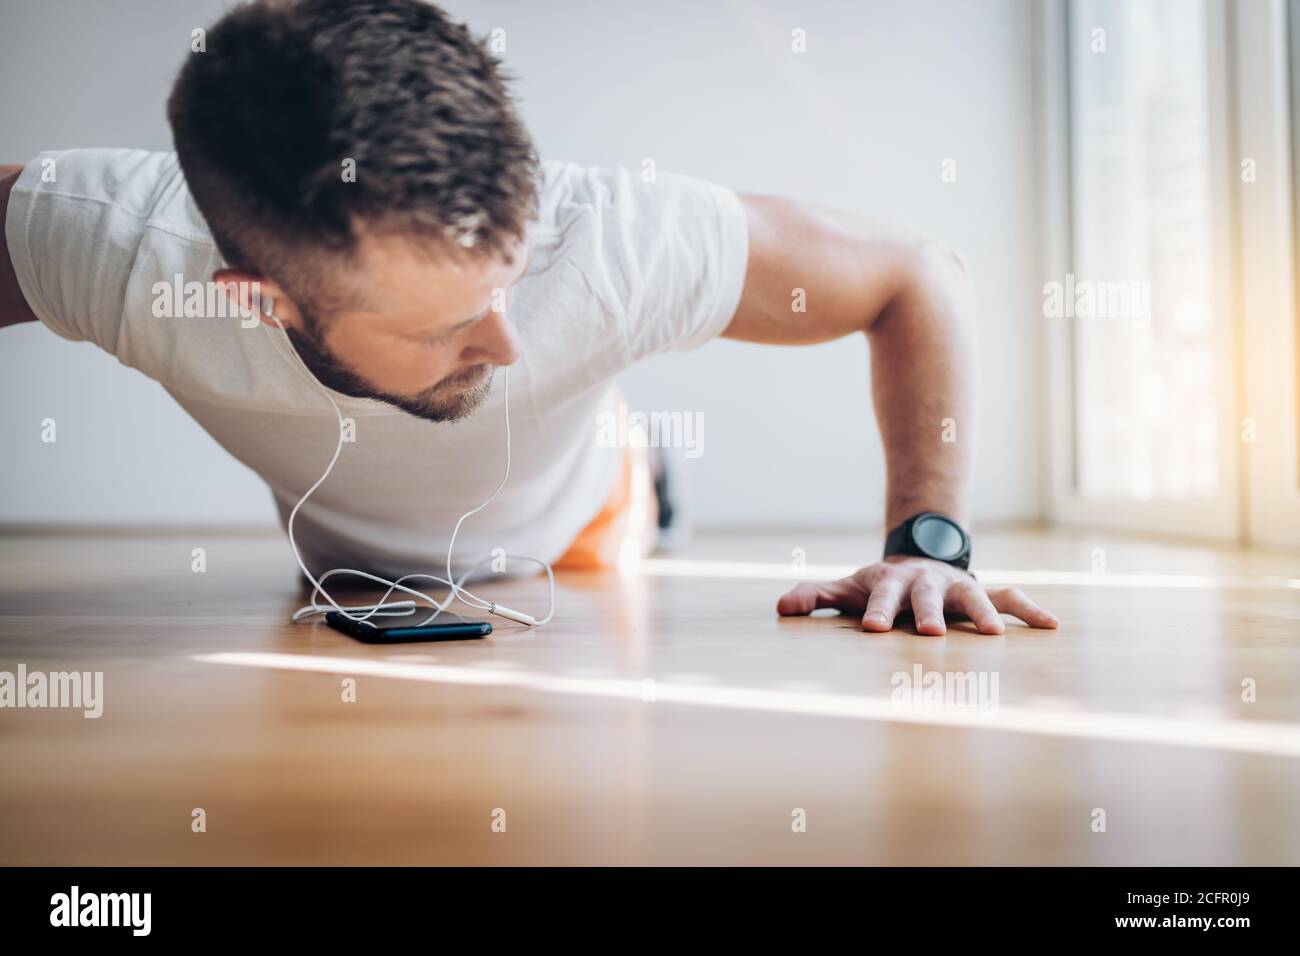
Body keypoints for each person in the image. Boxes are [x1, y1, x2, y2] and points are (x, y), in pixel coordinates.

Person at [0, 0, 1057, 636]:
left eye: (507, 280)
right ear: (257, 298)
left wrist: (931, 545)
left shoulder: (613, 235)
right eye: (446, 323)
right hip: (356, 560)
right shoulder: (117, 243)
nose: (505, 344)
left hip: (589, 521)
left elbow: (920, 275)